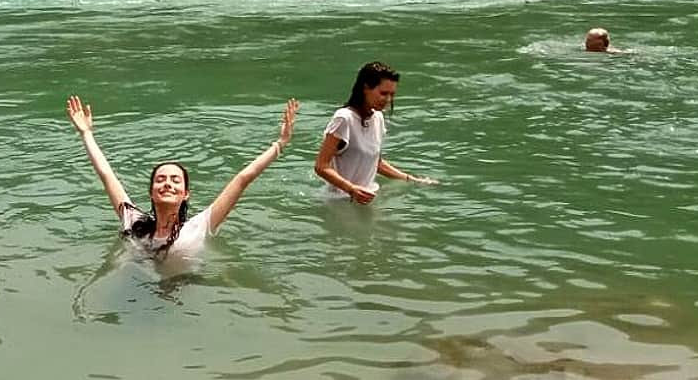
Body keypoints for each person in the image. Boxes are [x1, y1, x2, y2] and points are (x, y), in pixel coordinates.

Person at [66, 95, 298, 256]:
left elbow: (242, 179)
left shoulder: (200, 226)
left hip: (183, 297)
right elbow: (106, 174)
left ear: (186, 194)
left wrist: (279, 144)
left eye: (175, 181)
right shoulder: (134, 223)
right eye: (160, 179)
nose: (167, 184)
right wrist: (86, 133)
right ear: (151, 192)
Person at [314, 62, 437, 204]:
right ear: (365, 88)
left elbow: (376, 163)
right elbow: (321, 166)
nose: (388, 100)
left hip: (368, 196)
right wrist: (351, 189)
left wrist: (411, 180)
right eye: (383, 93)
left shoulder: (377, 117)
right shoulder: (344, 119)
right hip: (341, 201)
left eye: (392, 94)